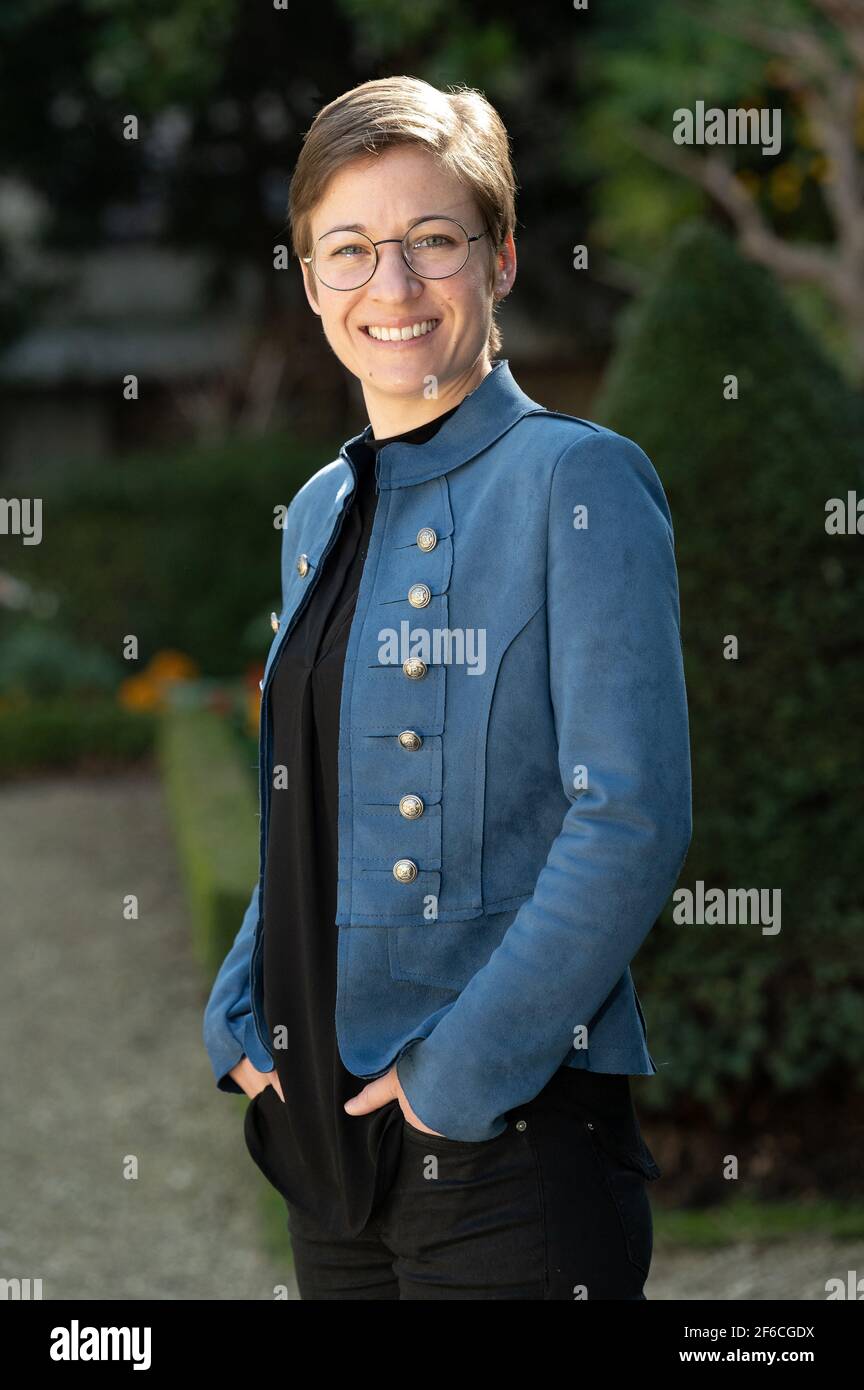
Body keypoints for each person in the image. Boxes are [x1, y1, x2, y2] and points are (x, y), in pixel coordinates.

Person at [202, 75, 692, 1300]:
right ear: (311, 280)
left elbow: (630, 814)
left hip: (505, 1143)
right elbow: (301, 802)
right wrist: (241, 1019)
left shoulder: (580, 478)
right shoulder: (319, 509)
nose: (395, 287)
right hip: (327, 1135)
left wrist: (458, 1079)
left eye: (433, 242)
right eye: (352, 250)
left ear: (502, 259)